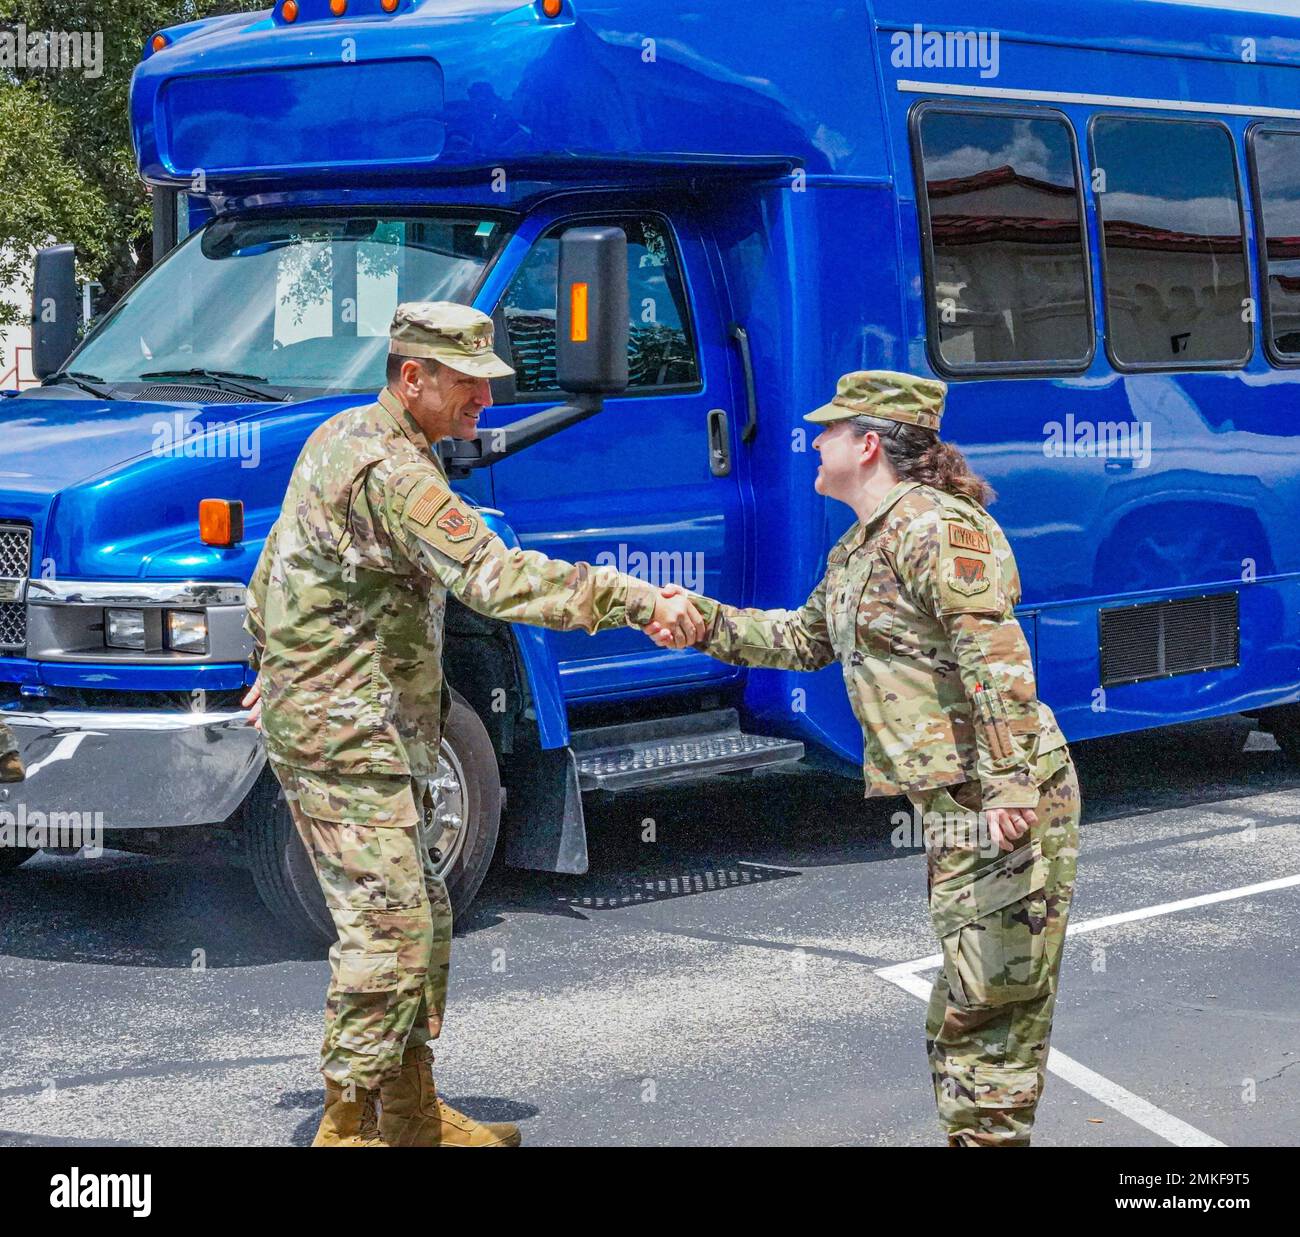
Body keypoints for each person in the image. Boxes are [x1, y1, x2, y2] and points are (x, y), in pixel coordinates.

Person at [242, 301, 703, 1148]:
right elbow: (496, 578)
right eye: (467, 384)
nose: (485, 402)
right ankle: (349, 1128)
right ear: (413, 377)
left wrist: (271, 657)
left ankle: (411, 1115)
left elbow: (277, 558)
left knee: (420, 912)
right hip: (347, 735)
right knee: (388, 934)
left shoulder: (342, 436)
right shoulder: (394, 470)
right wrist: (639, 601)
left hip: (360, 723)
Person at [649, 370, 1079, 1147]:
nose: (815, 442)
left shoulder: (936, 528)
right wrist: (699, 622)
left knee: (993, 1005)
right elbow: (800, 638)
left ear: (869, 443)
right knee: (970, 998)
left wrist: (1011, 784)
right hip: (957, 800)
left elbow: (993, 655)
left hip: (997, 796)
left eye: (830, 430)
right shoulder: (860, 548)